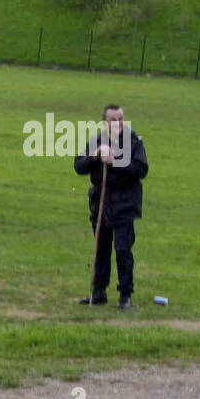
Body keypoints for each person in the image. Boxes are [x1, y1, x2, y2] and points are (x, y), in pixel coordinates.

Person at [74, 104, 149, 310]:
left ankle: (126, 294)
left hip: (125, 202)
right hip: (100, 203)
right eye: (113, 120)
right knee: (101, 249)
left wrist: (114, 161)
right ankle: (98, 292)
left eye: (121, 119)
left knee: (123, 250)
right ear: (104, 122)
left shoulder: (133, 141)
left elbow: (141, 168)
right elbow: (78, 166)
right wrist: (96, 155)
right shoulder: (97, 141)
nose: (118, 123)